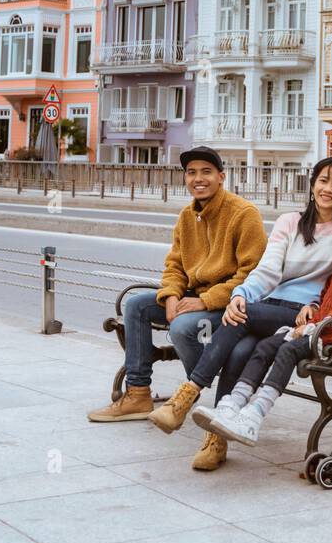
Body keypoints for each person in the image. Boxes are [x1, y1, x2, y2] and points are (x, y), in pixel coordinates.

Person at [146, 157, 332, 451]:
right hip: (265, 306)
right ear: (312, 183)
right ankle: (218, 438)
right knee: (239, 345)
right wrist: (240, 295)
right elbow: (267, 270)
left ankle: (186, 398)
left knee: (240, 321)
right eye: (323, 181)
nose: (328, 189)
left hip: (298, 314)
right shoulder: (289, 222)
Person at [87, 147, 266, 472]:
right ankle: (139, 392)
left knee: (184, 328)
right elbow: (174, 265)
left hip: (229, 303)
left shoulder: (244, 214)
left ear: (221, 177)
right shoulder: (187, 216)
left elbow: (252, 274)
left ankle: (207, 411)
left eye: (206, 172)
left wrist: (206, 300)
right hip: (190, 298)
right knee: (138, 305)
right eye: (192, 172)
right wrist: (170, 295)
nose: (198, 179)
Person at [195, 211, 332, 446]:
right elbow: (324, 300)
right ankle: (233, 404)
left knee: (287, 350)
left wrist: (314, 327)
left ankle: (255, 414)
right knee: (266, 345)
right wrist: (311, 308)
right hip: (321, 332)